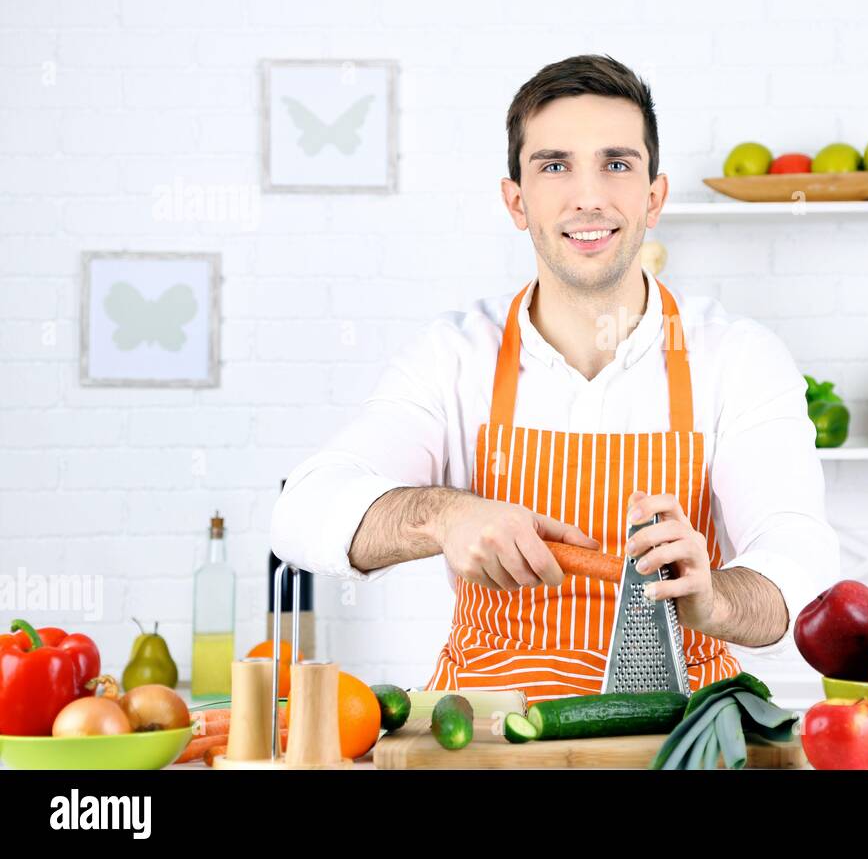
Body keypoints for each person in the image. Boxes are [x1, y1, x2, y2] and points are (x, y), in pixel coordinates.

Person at [272, 53, 839, 701]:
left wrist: (714, 600)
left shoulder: (738, 358)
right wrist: (444, 517)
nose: (589, 196)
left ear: (654, 198)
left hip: (679, 735)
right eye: (554, 165)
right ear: (516, 200)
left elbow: (798, 556)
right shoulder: (454, 357)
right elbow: (301, 508)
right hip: (484, 736)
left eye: (617, 164)